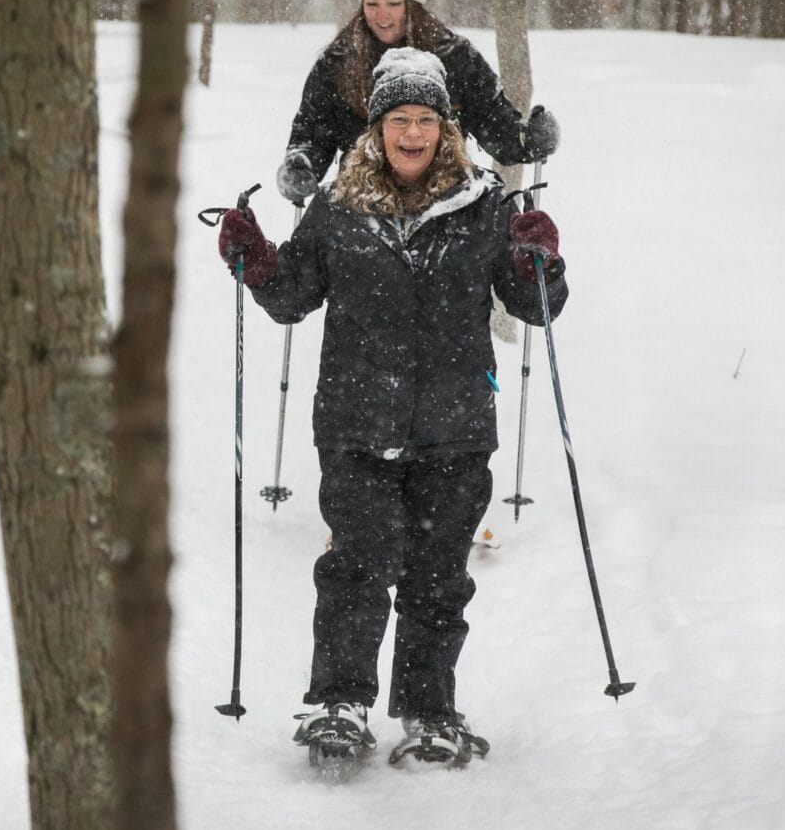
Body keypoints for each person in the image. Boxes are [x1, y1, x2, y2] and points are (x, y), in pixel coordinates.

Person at [216, 46, 568, 768]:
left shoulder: (484, 207)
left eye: (426, 120)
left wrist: (543, 262)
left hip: (455, 429)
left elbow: (535, 309)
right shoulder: (336, 207)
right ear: (375, 129)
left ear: (446, 128)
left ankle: (431, 712)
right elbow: (291, 299)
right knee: (357, 567)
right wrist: (255, 260)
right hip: (356, 425)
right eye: (399, 119)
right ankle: (340, 706)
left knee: (439, 580)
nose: (413, 133)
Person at [276, 0, 559, 207]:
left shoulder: (453, 55)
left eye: (394, 3)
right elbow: (312, 131)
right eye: (371, 3)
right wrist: (301, 165)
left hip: (444, 201)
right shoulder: (337, 62)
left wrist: (524, 140)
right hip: (363, 203)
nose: (382, 15)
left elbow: (492, 120)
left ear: (412, 4)